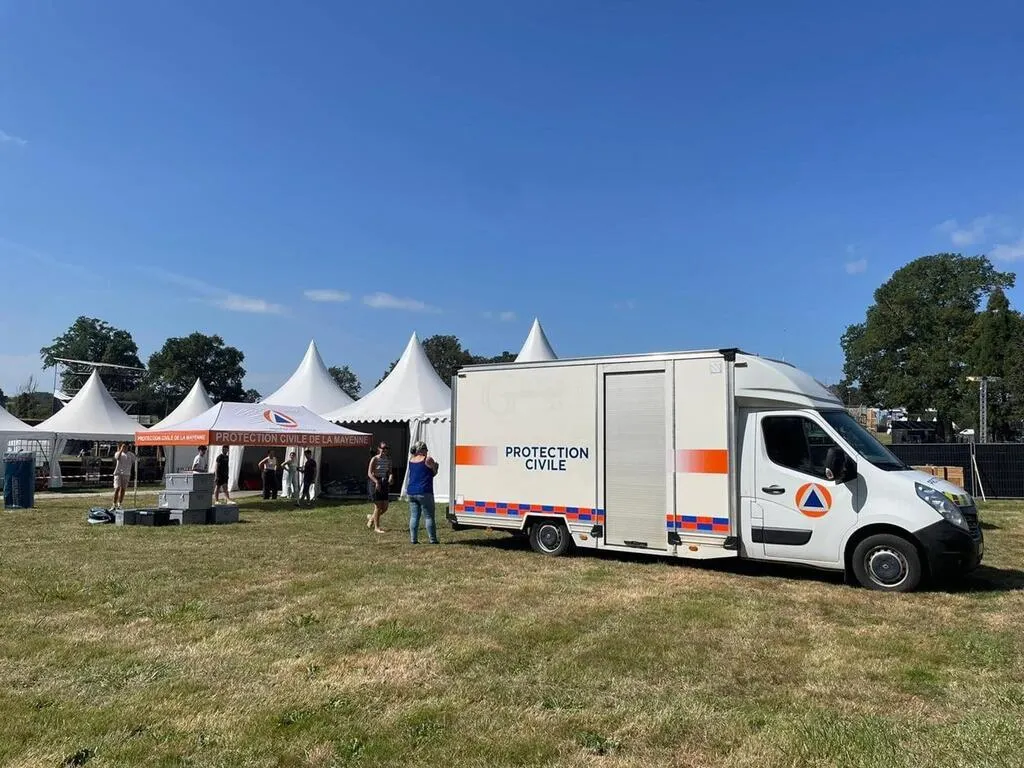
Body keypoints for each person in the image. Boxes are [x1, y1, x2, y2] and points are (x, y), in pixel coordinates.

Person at [406, 440, 440, 544]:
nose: (427, 451)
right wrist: (436, 467)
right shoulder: (428, 459)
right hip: (424, 491)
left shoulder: (411, 460)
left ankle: (413, 539)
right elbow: (434, 472)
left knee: (414, 516)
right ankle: (433, 540)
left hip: (411, 491)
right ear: (423, 449)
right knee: (429, 516)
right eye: (426, 449)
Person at [366, 442, 394, 533]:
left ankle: (372, 518)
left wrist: (390, 477)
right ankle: (377, 528)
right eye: (382, 448)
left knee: (385, 507)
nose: (384, 450)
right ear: (379, 449)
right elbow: (369, 473)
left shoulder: (388, 460)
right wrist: (376, 481)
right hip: (375, 482)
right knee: (378, 506)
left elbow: (389, 472)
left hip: (384, 482)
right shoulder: (374, 459)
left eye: (386, 449)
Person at [112, 443, 135, 510]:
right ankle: (114, 504)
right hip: (118, 473)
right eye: (123, 446)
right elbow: (117, 458)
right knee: (117, 488)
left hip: (127, 474)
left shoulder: (131, 454)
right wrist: (121, 450)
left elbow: (135, 460)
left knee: (123, 489)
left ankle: (119, 503)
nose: (125, 447)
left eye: (126, 446)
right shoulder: (118, 453)